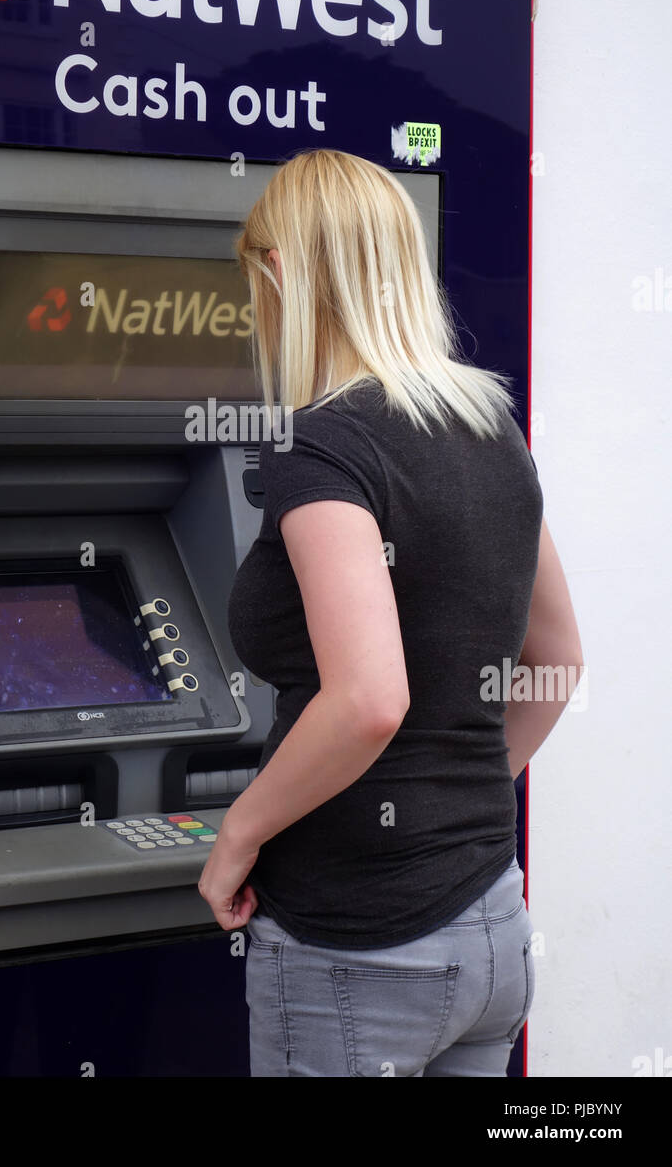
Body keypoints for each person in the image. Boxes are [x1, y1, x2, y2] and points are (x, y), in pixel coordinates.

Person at [197, 148, 584, 1077]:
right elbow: (557, 659)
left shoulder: (322, 448)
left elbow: (369, 698)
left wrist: (237, 835)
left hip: (354, 946)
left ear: (281, 272)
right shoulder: (493, 430)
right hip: (489, 923)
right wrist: (457, 792)